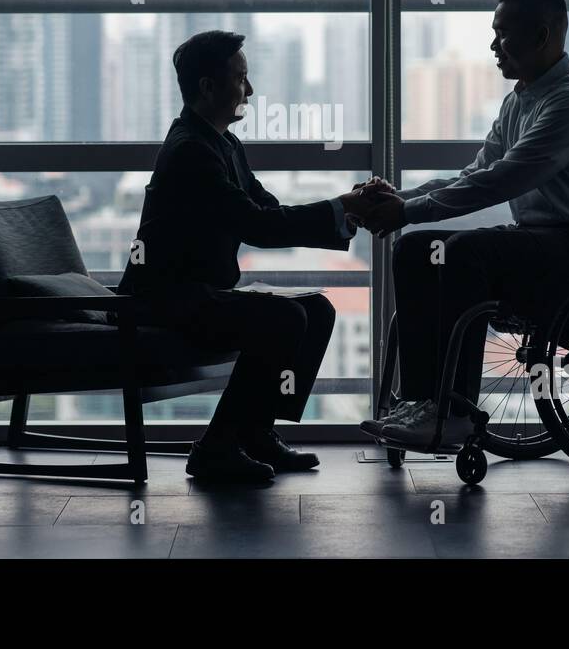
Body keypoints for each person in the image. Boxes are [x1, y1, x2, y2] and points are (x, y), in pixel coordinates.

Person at [356, 0, 569, 447]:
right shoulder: (519, 100)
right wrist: (403, 202)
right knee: (415, 249)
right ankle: (424, 401)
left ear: (541, 37)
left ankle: (454, 410)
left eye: (502, 33)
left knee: (464, 254)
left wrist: (407, 209)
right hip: (542, 241)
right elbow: (476, 173)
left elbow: (503, 180)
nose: (493, 45)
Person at [118, 30, 394, 482]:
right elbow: (258, 226)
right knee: (285, 319)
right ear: (208, 87)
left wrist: (347, 204)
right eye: (241, 79)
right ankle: (217, 447)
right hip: (164, 300)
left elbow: (266, 208)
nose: (250, 90)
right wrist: (345, 207)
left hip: (195, 293)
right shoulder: (192, 151)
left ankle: (254, 431)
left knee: (317, 310)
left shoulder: (220, 142)